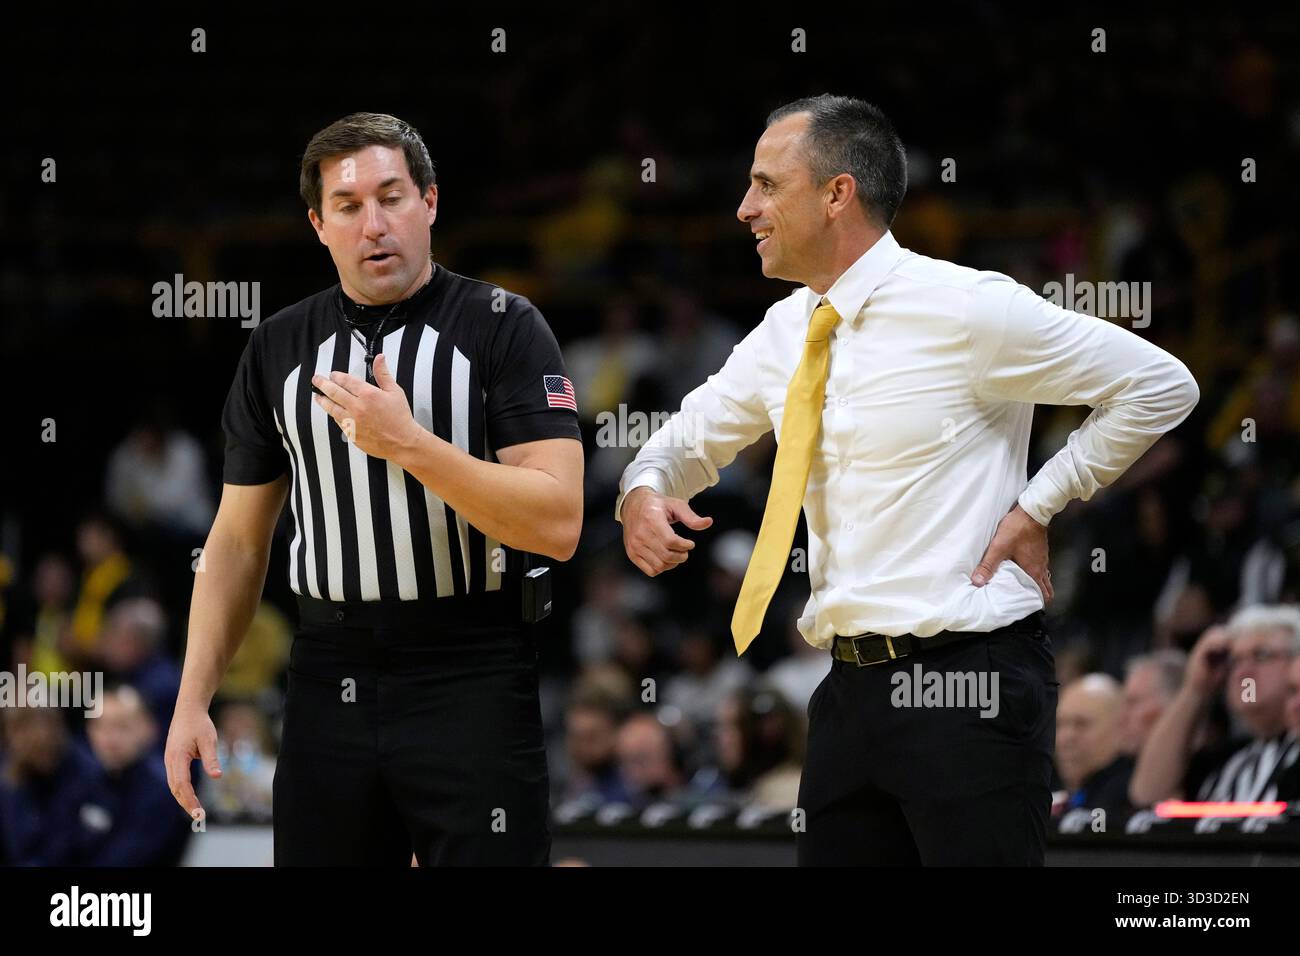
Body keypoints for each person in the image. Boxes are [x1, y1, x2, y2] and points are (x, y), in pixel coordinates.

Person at [617, 94, 1199, 865]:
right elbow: (684, 444)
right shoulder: (787, 329)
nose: (744, 207)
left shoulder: (967, 308)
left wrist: (1041, 501)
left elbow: (1162, 385)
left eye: (766, 184)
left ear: (836, 194)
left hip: (969, 679)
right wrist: (643, 490)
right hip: (847, 690)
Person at [165, 112, 583, 866]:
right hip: (330, 670)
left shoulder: (504, 325)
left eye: (392, 197)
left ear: (430, 202)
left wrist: (412, 446)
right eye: (350, 206)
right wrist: (193, 695)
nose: (374, 224)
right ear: (319, 225)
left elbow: (556, 521)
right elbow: (235, 540)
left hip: (472, 667)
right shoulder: (277, 346)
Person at [1130, 605, 1300, 805]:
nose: (1243, 672)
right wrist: (1195, 689)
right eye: (1234, 660)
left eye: (1261, 655)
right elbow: (1147, 794)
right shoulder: (1228, 758)